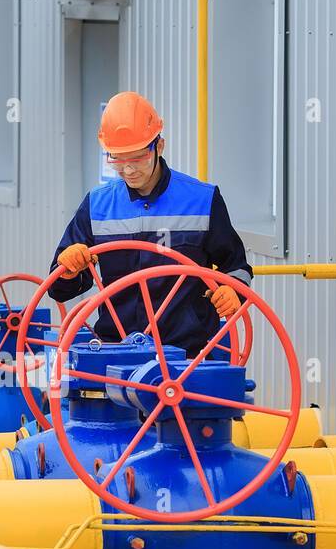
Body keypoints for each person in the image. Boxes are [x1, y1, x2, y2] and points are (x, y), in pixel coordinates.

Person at [48, 92, 252, 355]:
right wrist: (69, 269)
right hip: (114, 355)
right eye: (117, 159)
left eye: (136, 158)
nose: (128, 170)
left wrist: (232, 290)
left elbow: (236, 266)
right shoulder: (97, 207)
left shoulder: (202, 200)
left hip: (187, 357)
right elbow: (60, 289)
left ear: (159, 146)